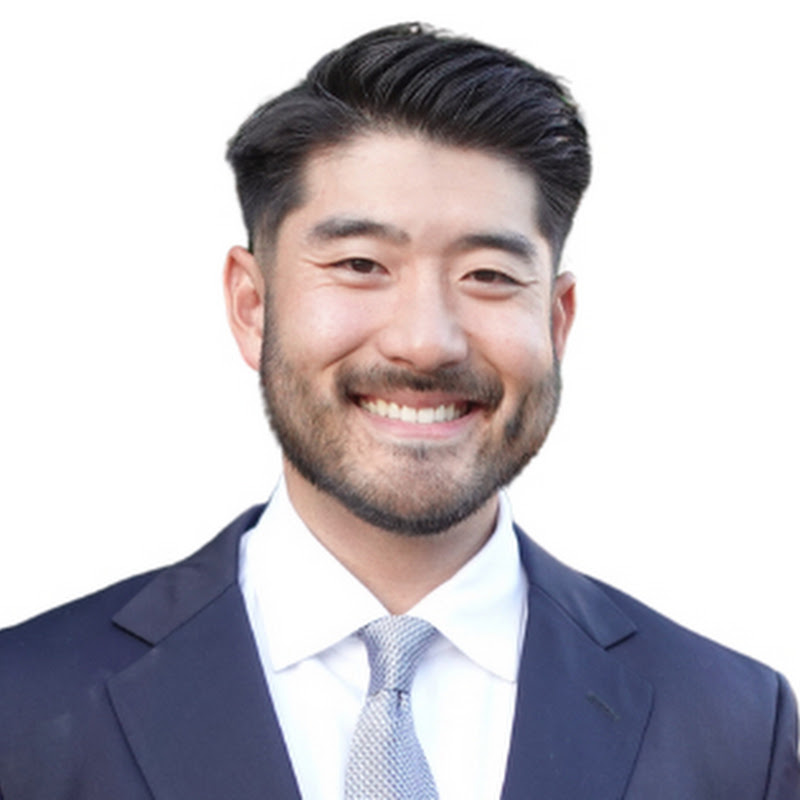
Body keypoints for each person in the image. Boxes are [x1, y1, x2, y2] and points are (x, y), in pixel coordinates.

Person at [0, 21, 797, 800]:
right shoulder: (24, 706)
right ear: (251, 305)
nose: (426, 342)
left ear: (557, 323)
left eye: (489, 276)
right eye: (360, 263)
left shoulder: (732, 729)